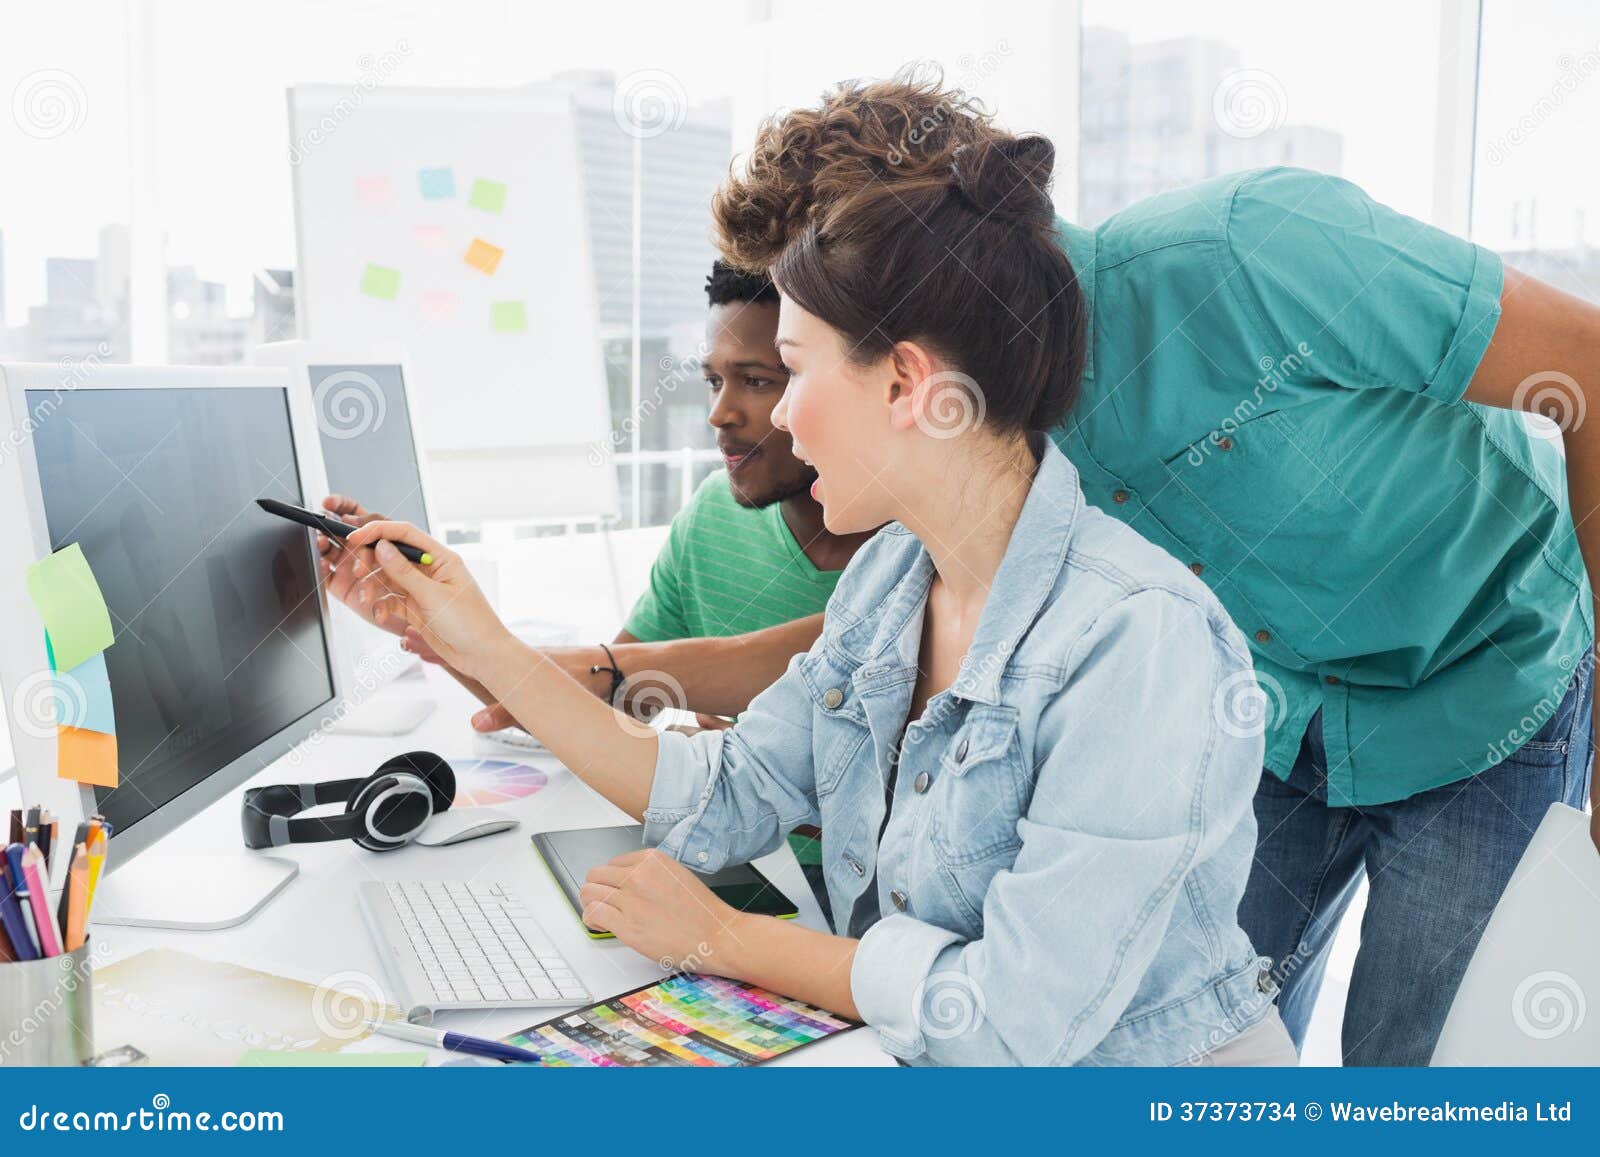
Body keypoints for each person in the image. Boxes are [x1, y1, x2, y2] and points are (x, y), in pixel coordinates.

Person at [561, 72, 1597, 1067]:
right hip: (1273, 712)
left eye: (833, 306)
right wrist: (616, 669)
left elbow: (1585, 370)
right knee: (1174, 1026)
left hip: (1489, 684)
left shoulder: (1258, 251)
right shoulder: (980, 434)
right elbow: (877, 643)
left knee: (1419, 1079)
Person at [341, 133, 1296, 1066]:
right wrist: (478, 635)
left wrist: (725, 939)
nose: (782, 413)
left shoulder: (1138, 639)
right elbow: (726, 790)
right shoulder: (891, 580)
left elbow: (1007, 1026)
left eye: (793, 369)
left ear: (908, 384)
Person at [318, 261, 873, 922]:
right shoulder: (711, 519)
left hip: (835, 907)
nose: (721, 413)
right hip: (724, 865)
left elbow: (605, 682)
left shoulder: (914, 564)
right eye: (713, 381)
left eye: (758, 380)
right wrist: (422, 615)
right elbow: (586, 712)